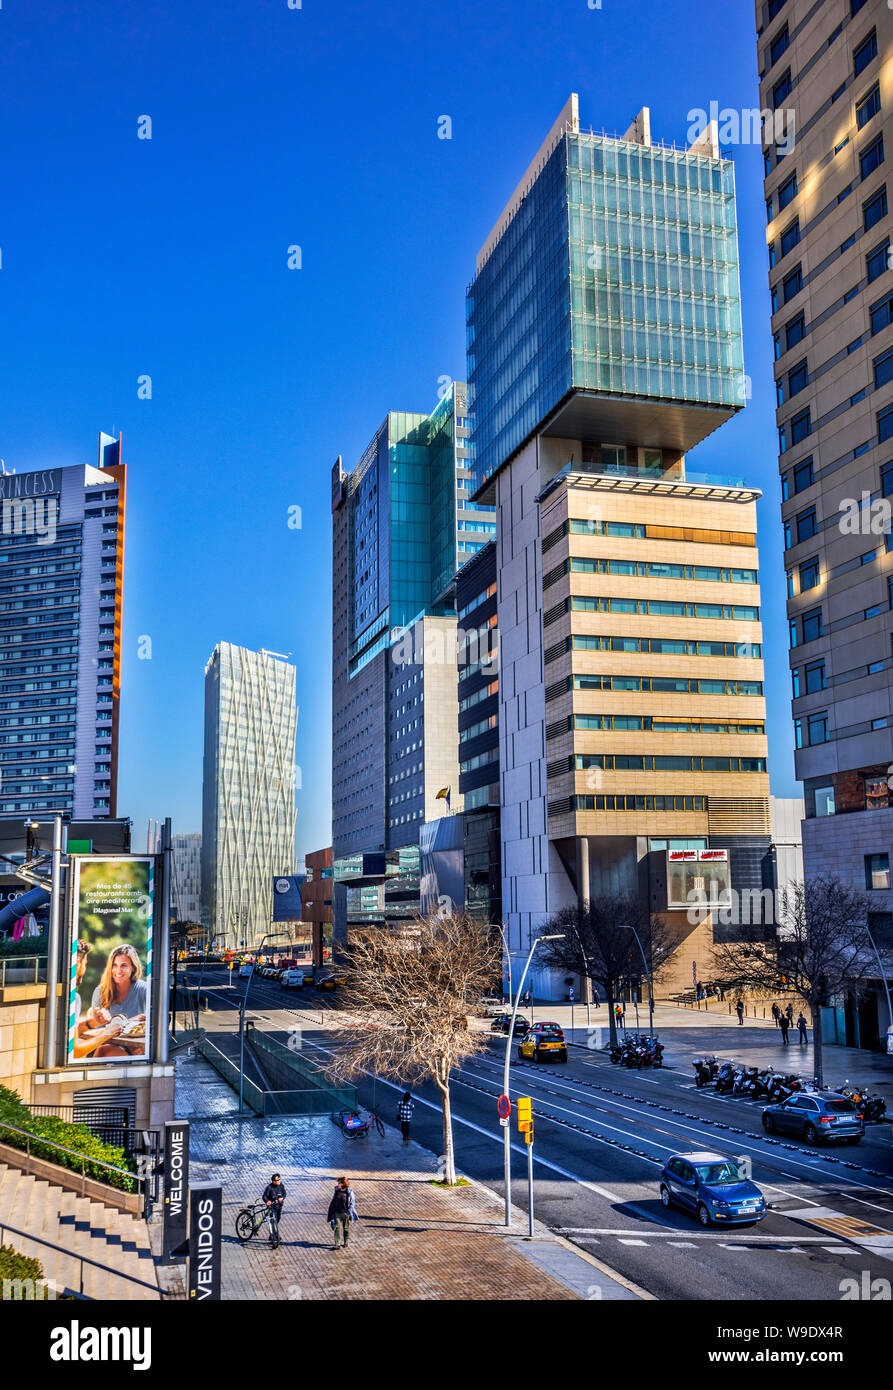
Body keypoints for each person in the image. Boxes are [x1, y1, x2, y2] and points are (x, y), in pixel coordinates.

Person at [327, 1176, 358, 1250]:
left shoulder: (349, 1191)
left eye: (340, 1183)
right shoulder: (336, 1190)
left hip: (345, 1213)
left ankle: (346, 1242)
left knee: (346, 1228)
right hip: (337, 1212)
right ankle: (337, 1244)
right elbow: (333, 1200)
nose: (338, 1184)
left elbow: (352, 1203)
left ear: (344, 1184)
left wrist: (349, 1211)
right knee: (337, 1228)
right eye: (338, 1183)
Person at [262, 1173, 286, 1242]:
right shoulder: (269, 1188)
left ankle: (272, 1235)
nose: (279, 1181)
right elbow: (264, 1196)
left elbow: (284, 1193)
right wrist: (267, 1201)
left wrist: (282, 1198)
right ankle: (274, 1236)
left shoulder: (281, 1186)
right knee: (273, 1221)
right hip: (272, 1208)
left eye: (279, 1179)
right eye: (277, 1180)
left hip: (279, 1206)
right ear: (273, 1181)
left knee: (277, 1219)